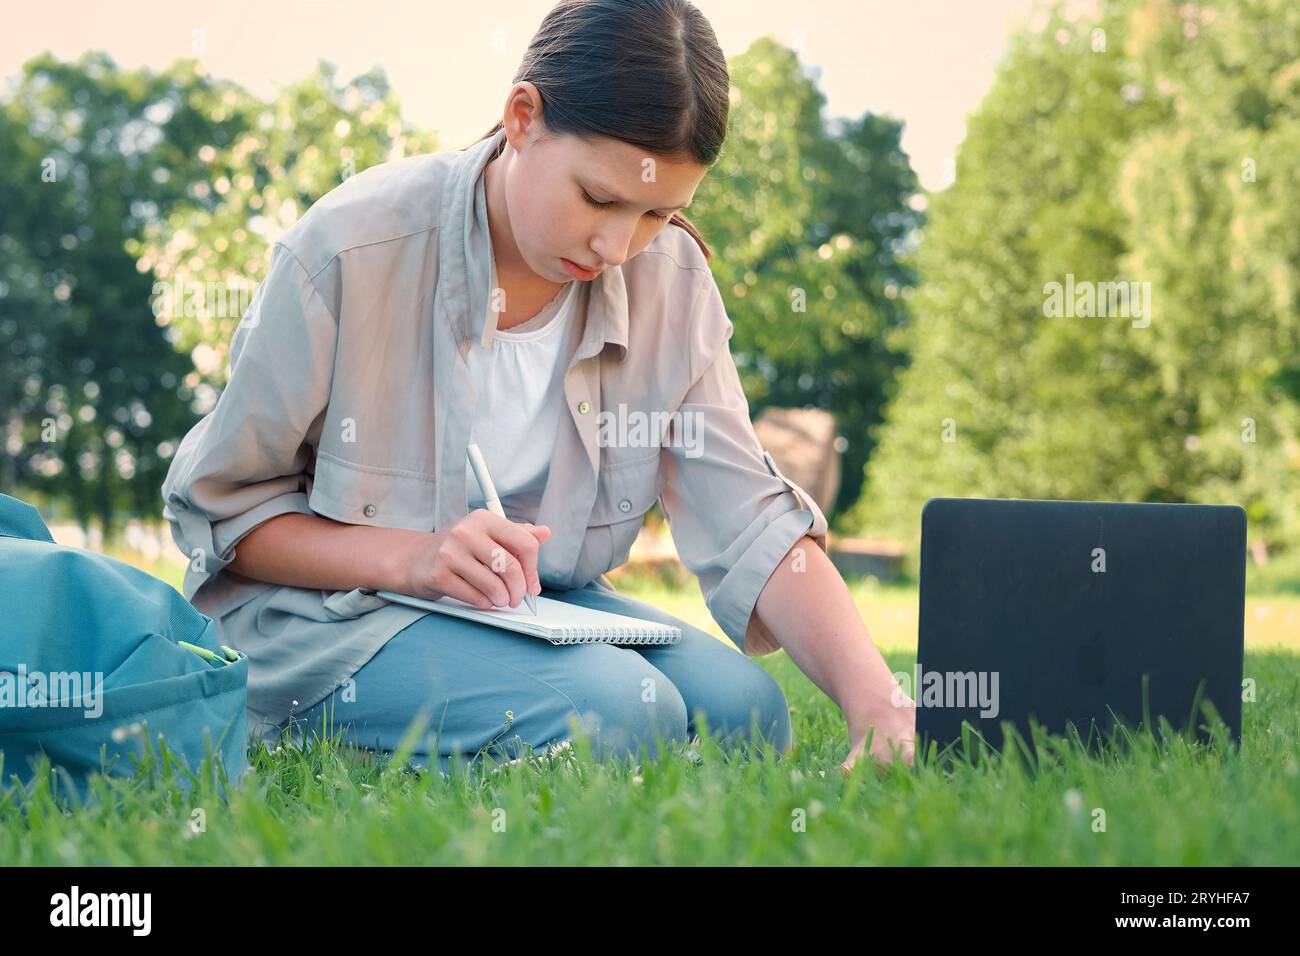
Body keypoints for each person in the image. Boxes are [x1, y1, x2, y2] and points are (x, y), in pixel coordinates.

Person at [160, 0, 915, 776]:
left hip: (529, 613)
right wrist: (415, 558)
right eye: (598, 198)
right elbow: (225, 517)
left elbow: (750, 518)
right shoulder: (353, 247)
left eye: (659, 212)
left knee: (745, 715)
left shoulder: (671, 283)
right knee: (624, 712)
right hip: (329, 614)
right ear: (522, 116)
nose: (617, 246)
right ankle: (305, 737)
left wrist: (877, 703)